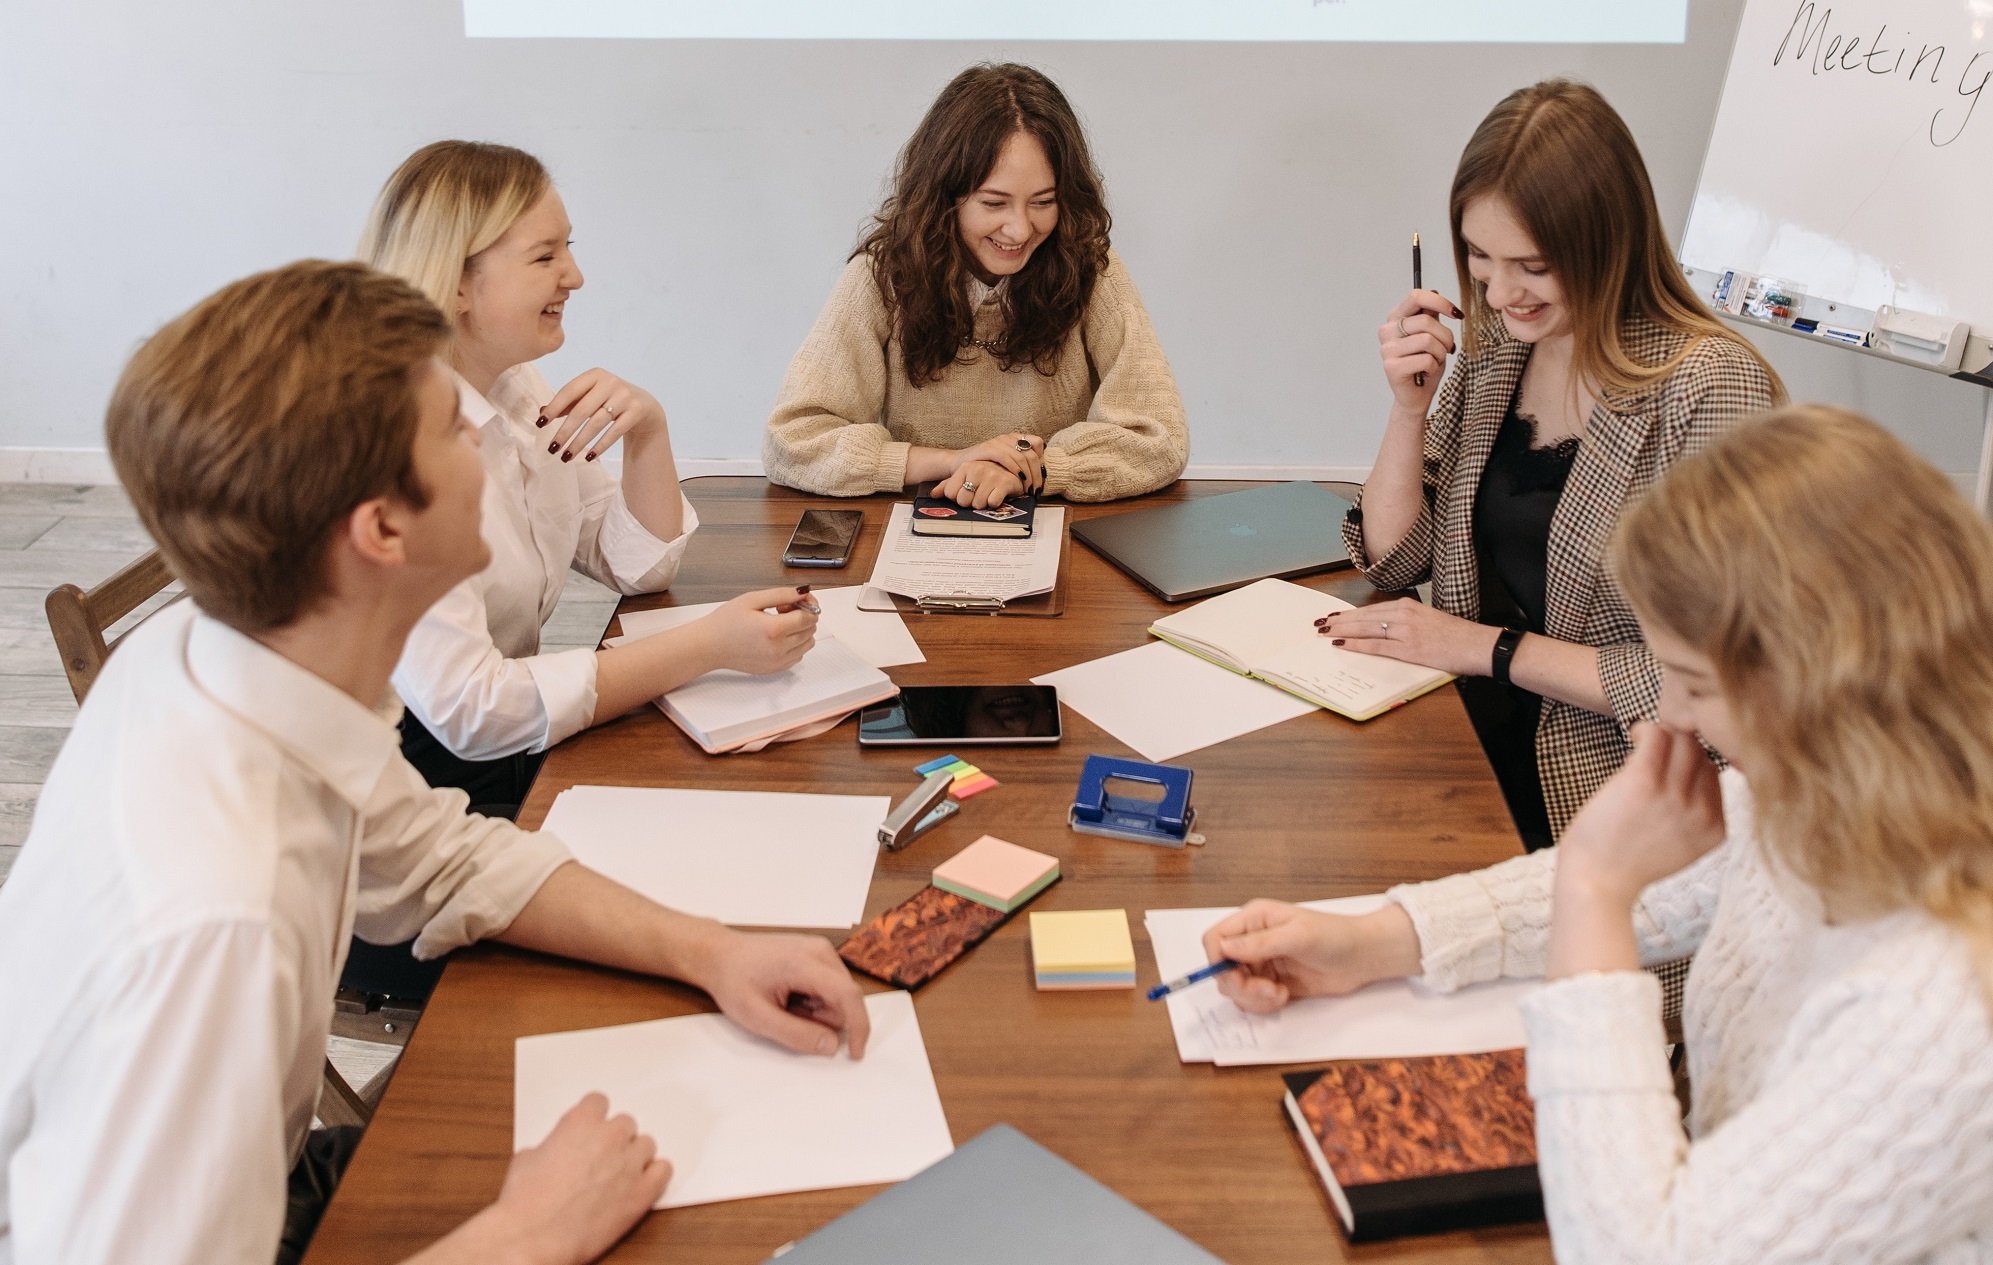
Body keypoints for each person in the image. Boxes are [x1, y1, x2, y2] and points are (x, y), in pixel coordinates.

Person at [0, 261, 871, 1265]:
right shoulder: (217, 927)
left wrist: (709, 949)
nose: (489, 438)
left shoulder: (226, 657)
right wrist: (524, 1234)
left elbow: (440, 859)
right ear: (381, 528)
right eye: (456, 428)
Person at [1208, 406, 1993, 1261]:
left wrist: (1593, 889)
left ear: (1824, 679)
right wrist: (1369, 940)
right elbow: (1670, 889)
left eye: (1691, 682)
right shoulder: (1822, 795)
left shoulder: (1942, 1007)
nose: (1669, 713)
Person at [1326, 80, 1782, 849]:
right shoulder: (1503, 348)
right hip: (1464, 742)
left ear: (1607, 242)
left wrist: (1483, 649)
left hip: (1616, 786)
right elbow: (1397, 557)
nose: (1499, 292)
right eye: (1477, 256)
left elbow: (1723, 685)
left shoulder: (1711, 386)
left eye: (1531, 265)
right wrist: (1408, 412)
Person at [361, 140, 817, 812]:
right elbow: (472, 711)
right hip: (414, 790)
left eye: (567, 248)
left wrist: (649, 429)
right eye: (545, 256)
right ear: (457, 282)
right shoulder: (392, 448)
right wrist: (709, 646)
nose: (574, 276)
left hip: (509, 748)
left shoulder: (515, 388)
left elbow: (633, 565)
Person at [763, 62, 1189, 508]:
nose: (1020, 230)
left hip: (1055, 528)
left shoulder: (1092, 270)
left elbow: (1159, 437)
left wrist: (1033, 471)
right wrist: (954, 461)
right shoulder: (884, 274)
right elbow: (792, 445)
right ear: (945, 196)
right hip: (920, 526)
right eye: (994, 202)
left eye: (1043, 202)